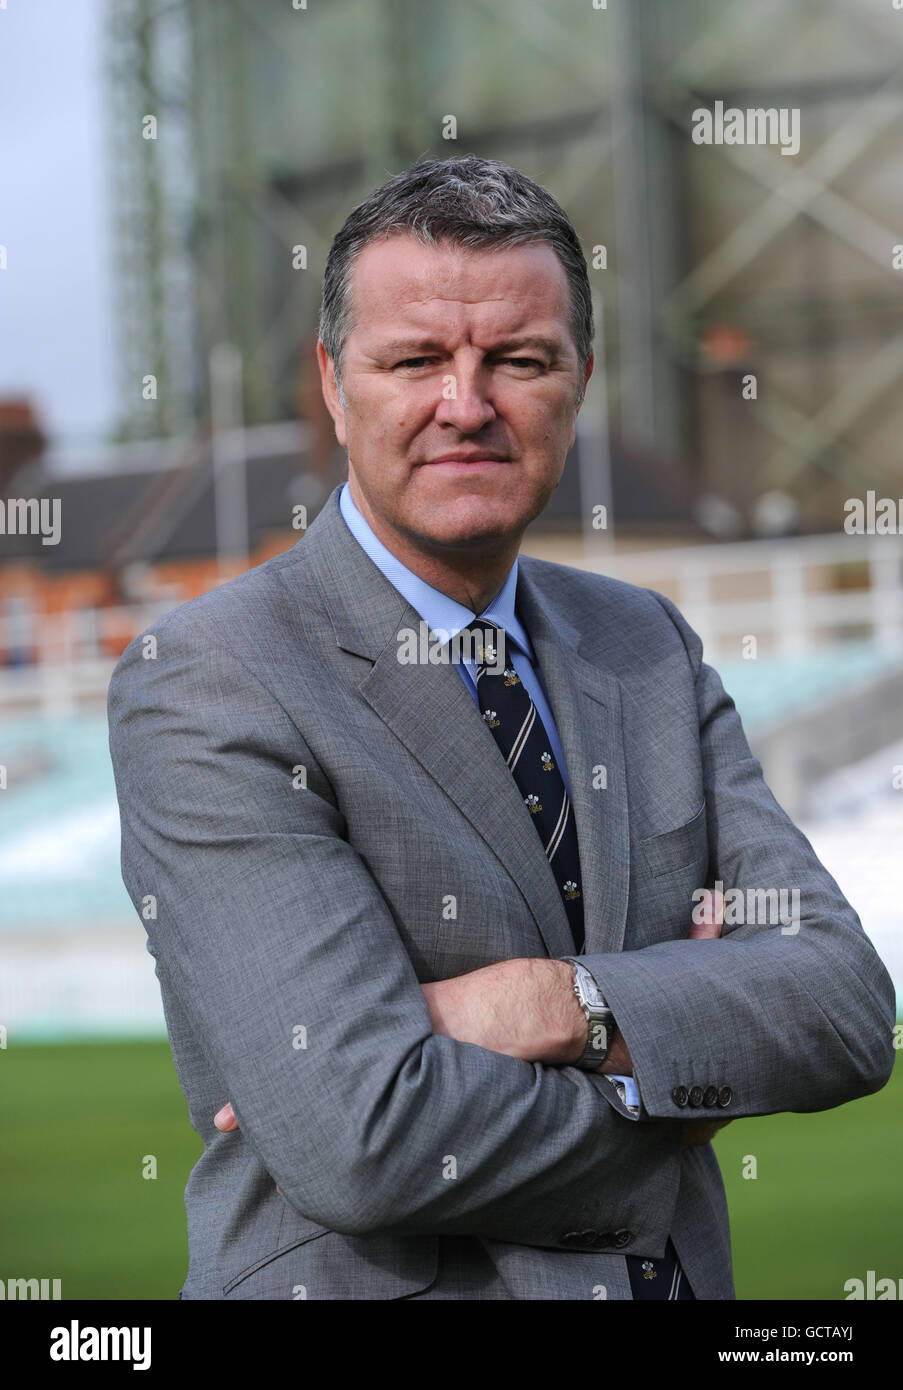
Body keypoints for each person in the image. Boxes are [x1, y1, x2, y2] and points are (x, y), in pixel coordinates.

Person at [108, 155, 896, 1301]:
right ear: (335, 384)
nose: (465, 405)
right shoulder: (214, 676)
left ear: (580, 375)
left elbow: (843, 1006)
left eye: (519, 360)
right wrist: (671, 1083)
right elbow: (361, 1132)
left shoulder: (646, 648)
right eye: (416, 359)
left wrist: (554, 1007)